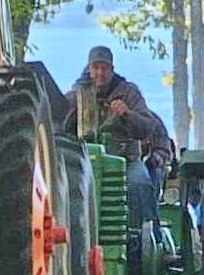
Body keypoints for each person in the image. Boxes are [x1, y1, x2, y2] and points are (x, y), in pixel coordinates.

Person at [66, 45, 158, 224]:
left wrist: (127, 114)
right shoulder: (76, 95)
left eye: (105, 68)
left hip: (125, 160)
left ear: (112, 69)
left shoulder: (129, 93)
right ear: (89, 68)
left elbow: (147, 128)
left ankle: (147, 233)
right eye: (96, 67)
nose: (100, 73)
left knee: (140, 184)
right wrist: (75, 112)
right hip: (85, 161)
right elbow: (59, 127)